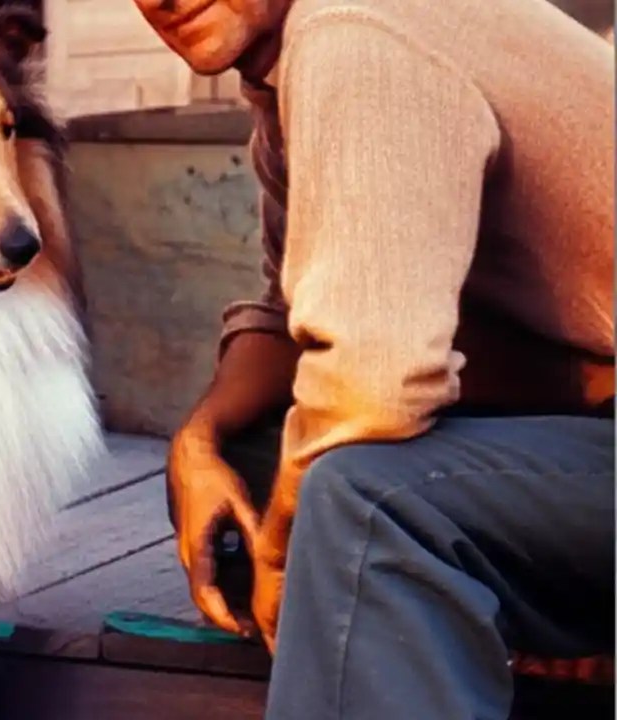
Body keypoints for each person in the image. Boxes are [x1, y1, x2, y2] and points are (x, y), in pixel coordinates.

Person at [134, 0, 615, 717]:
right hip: (580, 438)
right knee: (243, 473)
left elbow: (373, 389)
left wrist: (276, 557)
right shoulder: (294, 75)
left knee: (362, 501)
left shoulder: (354, 36)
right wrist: (198, 441)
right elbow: (294, 317)